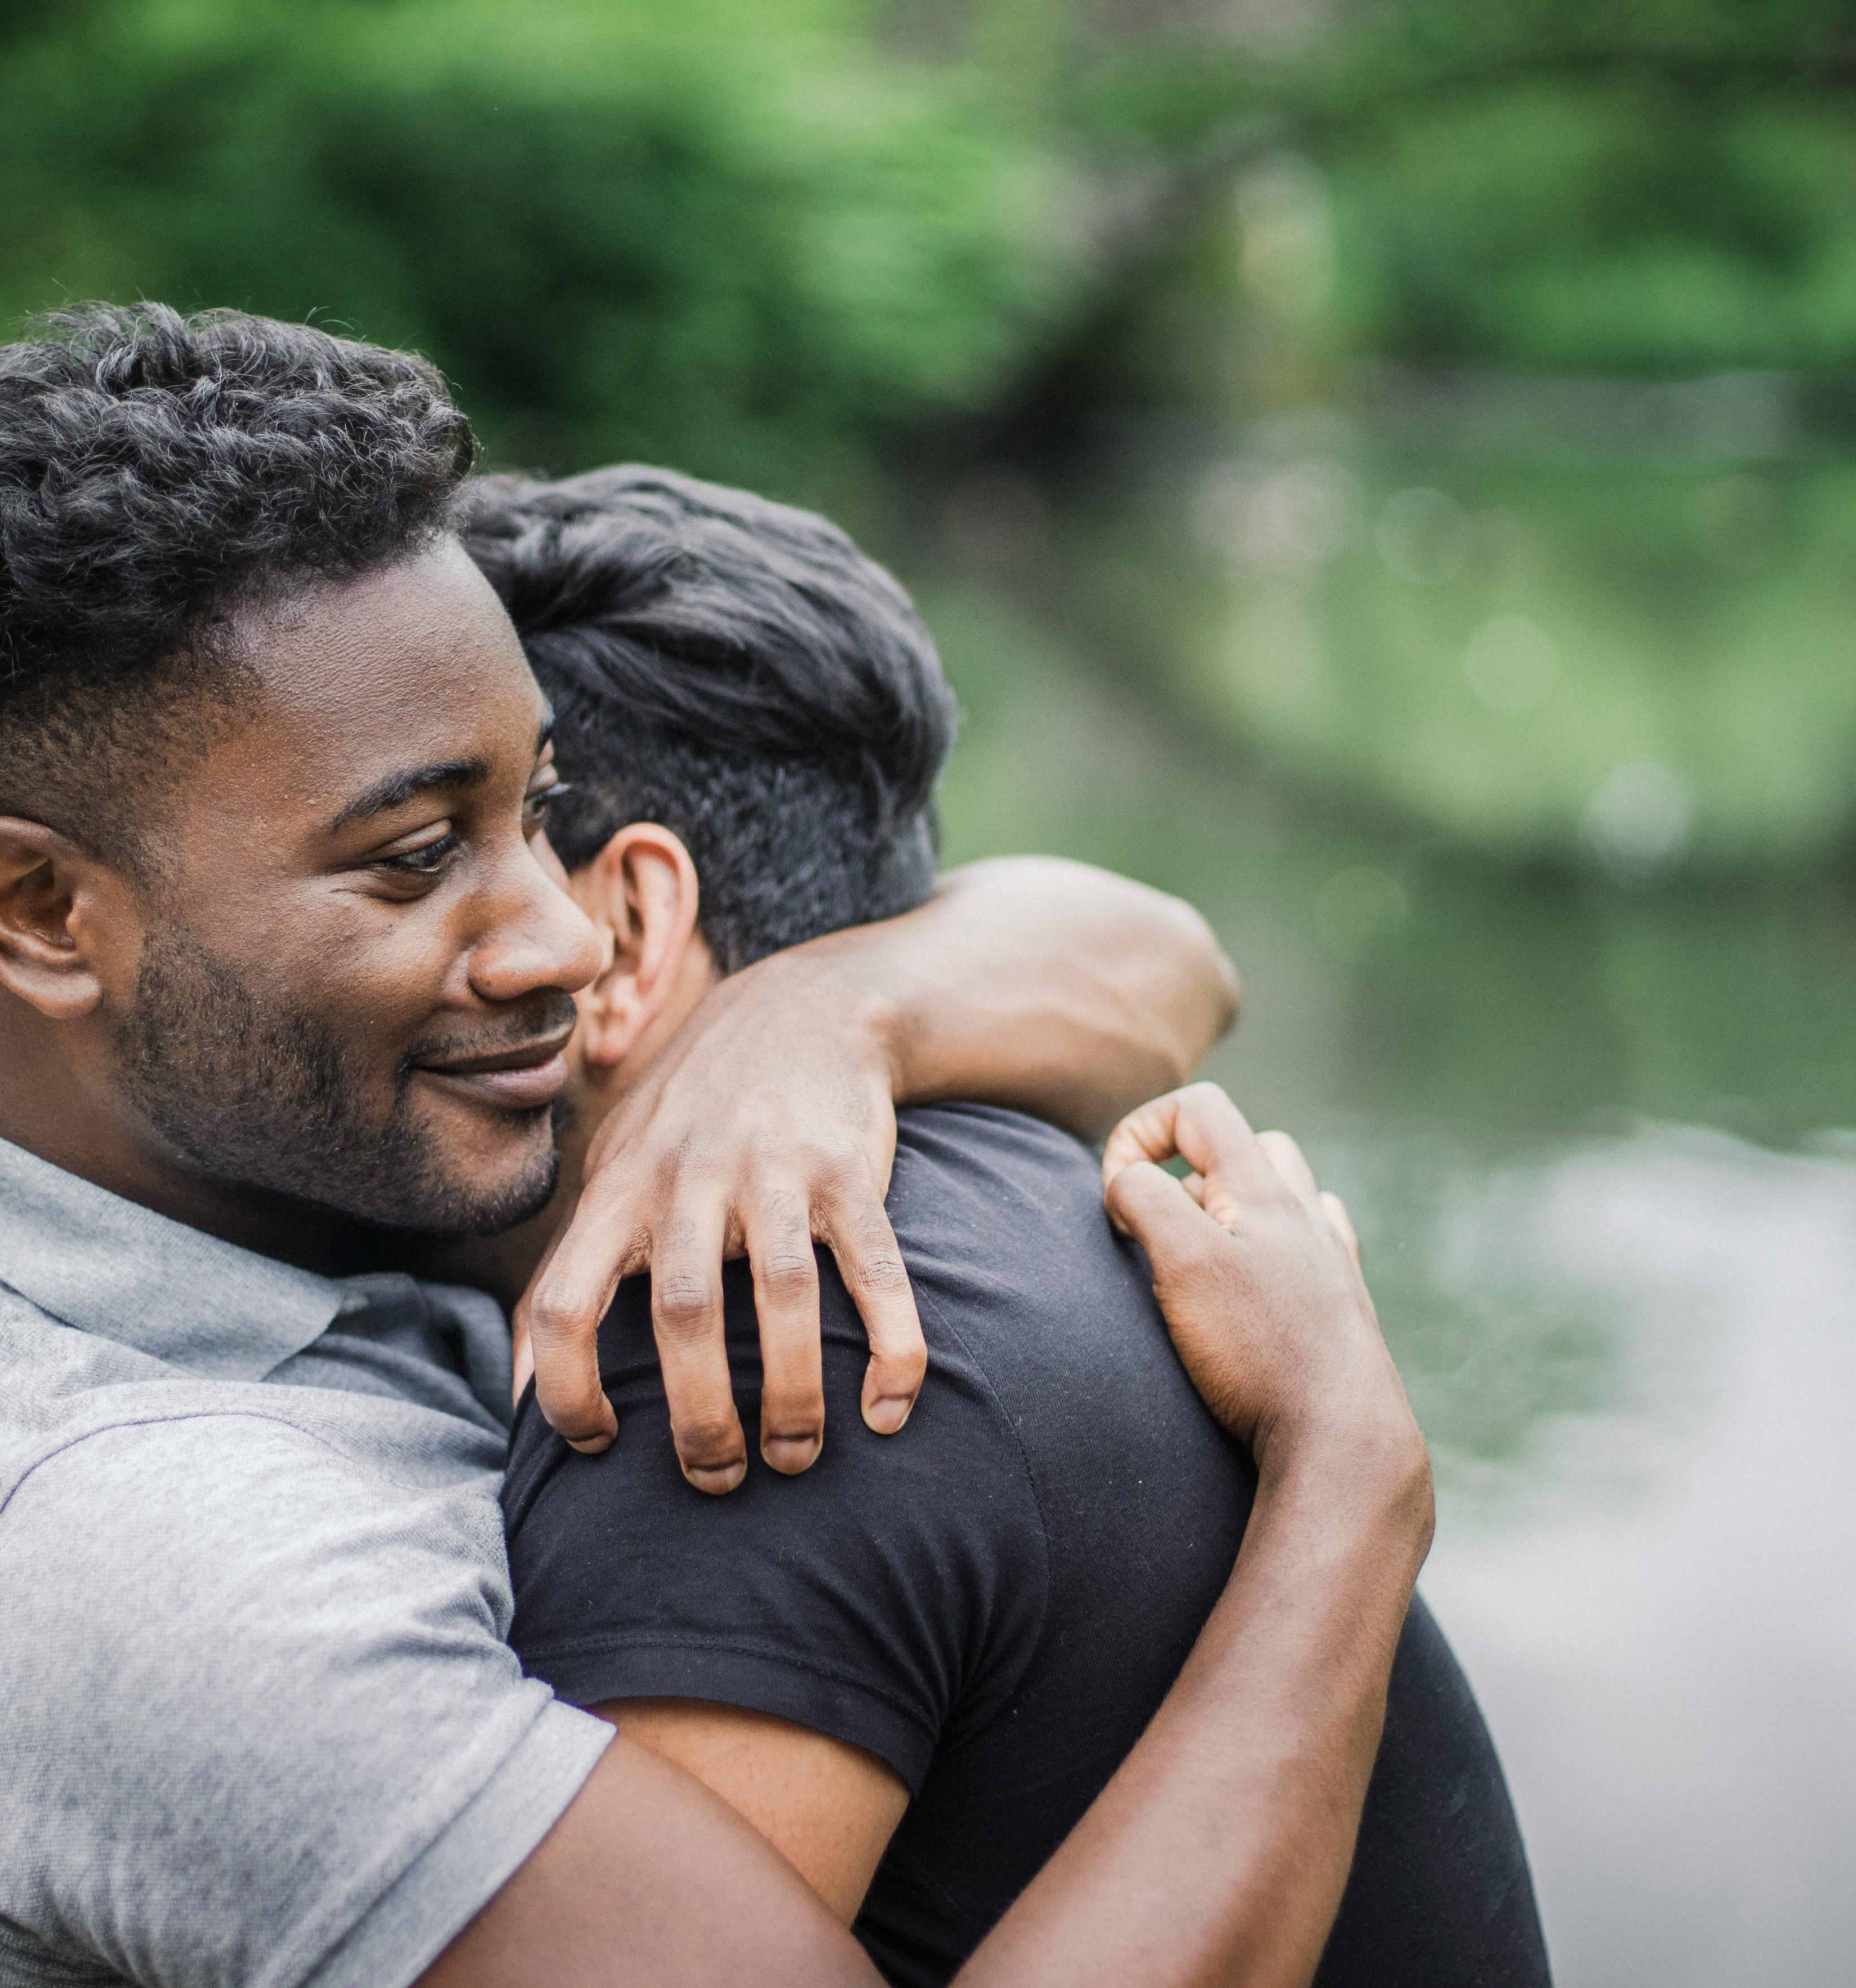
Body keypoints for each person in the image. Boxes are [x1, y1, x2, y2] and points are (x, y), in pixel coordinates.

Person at [0, 302, 1437, 1988]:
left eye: (537, 812)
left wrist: (824, 1017)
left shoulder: (286, 1164)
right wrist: (1347, 1487)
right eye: (411, 856)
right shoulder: (155, 1568)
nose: (559, 937)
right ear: (42, 913)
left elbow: (1161, 954)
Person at [461, 465, 1550, 1987]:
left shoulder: (761, 1320)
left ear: (628, 929)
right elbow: (1169, 958)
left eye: (434, 847)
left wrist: (1360, 1475)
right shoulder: (1000, 1168)